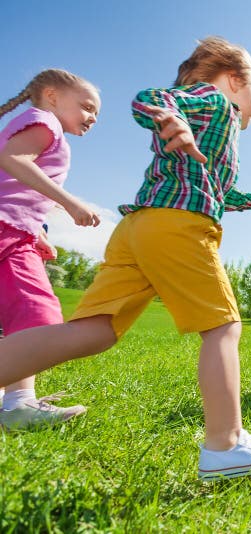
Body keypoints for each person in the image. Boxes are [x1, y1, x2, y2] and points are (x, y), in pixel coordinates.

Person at [0, 37, 251, 481]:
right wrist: (170, 118)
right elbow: (150, 99)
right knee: (223, 326)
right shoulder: (212, 100)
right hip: (176, 227)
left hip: (139, 230)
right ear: (235, 81)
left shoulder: (217, 130)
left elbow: (213, 186)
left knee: (94, 331)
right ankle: (225, 444)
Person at [0, 69, 101, 430]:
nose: (92, 117)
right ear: (53, 95)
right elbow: (12, 160)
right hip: (7, 232)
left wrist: (38, 231)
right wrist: (71, 203)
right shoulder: (45, 122)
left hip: (14, 230)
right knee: (36, 314)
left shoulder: (39, 124)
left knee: (19, 315)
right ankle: (16, 404)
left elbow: (13, 188)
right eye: (87, 106)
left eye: (96, 114)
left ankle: (15, 399)